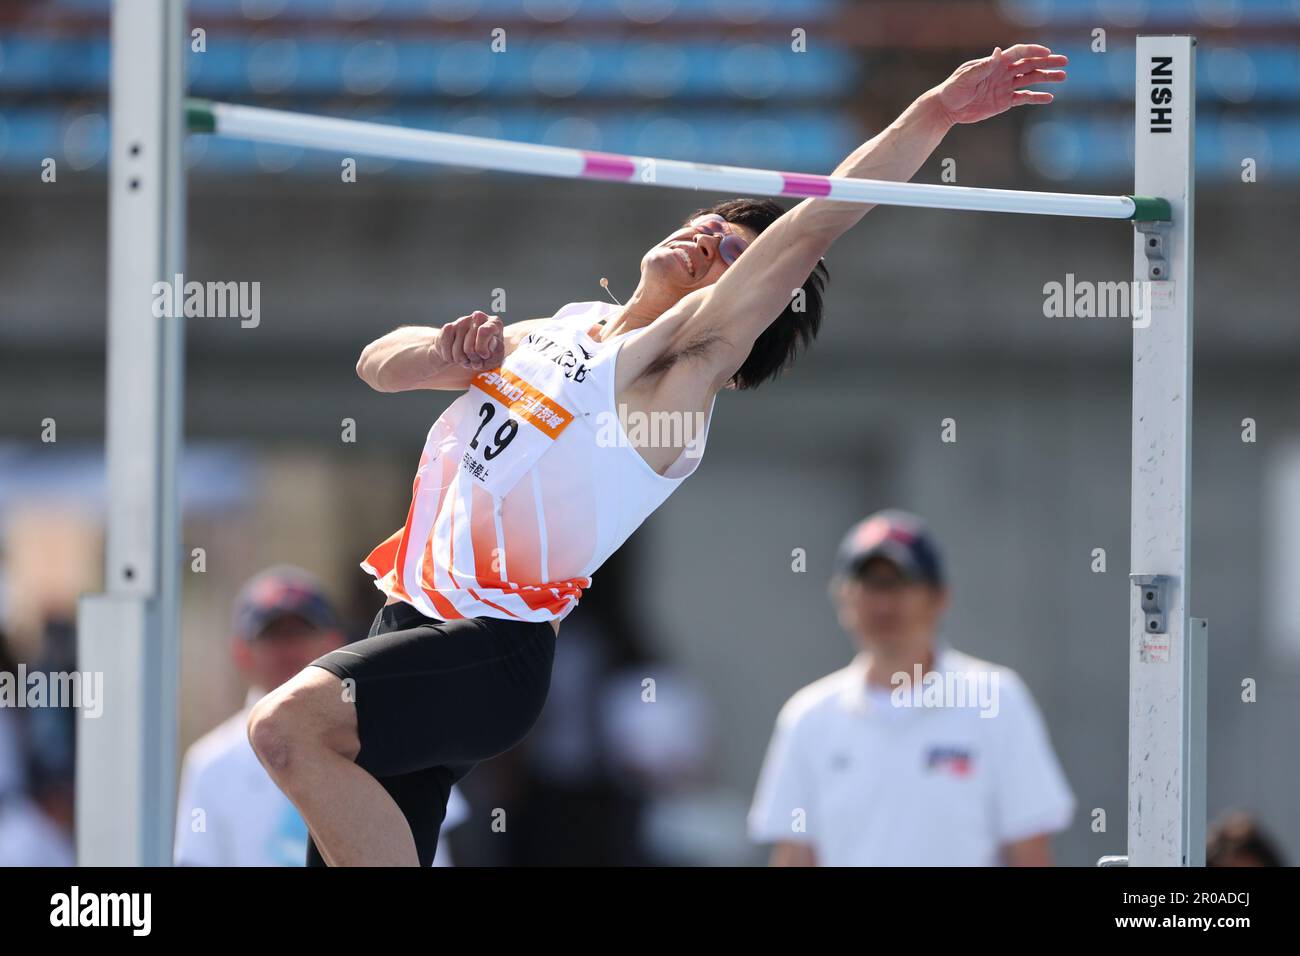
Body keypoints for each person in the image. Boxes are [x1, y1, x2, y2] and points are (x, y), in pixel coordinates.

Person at [247, 45, 1071, 866]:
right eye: (712, 223)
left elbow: (817, 222)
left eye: (735, 256)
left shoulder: (678, 377)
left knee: (283, 729)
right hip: (410, 618)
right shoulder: (559, 329)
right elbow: (375, 360)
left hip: (488, 648)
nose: (712, 236)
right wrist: (435, 357)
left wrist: (934, 111)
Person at [748, 510, 1075, 866]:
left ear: (939, 597)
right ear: (843, 598)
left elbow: (1029, 852)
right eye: (870, 584)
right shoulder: (808, 718)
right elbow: (795, 856)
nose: (884, 603)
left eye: (899, 583)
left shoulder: (996, 700)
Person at [176, 565, 469, 865]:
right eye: (273, 636)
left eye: (301, 633)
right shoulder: (211, 763)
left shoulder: (388, 738)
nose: (289, 650)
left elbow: (431, 854)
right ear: (243, 652)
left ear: (334, 643)